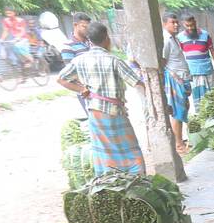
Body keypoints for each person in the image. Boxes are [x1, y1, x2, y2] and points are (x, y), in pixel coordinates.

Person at [55, 21, 146, 175]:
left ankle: (109, 182)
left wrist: (81, 89)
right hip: (115, 113)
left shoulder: (79, 60)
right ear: (106, 39)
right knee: (131, 151)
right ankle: (136, 178)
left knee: (104, 153)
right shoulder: (113, 60)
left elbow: (61, 79)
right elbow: (137, 82)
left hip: (95, 114)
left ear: (89, 40)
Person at [161, 12, 191, 155]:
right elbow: (163, 62)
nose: (176, 24)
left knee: (183, 109)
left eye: (176, 22)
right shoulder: (166, 40)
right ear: (165, 24)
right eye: (172, 22)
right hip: (175, 79)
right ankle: (179, 145)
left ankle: (180, 141)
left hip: (182, 78)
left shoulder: (175, 39)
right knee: (177, 112)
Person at [179, 13, 214, 110]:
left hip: (208, 71)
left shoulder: (205, 34)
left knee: (213, 98)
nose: (190, 28)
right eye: (188, 26)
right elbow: (179, 57)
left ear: (195, 22)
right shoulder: (180, 38)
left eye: (192, 25)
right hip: (193, 73)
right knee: (199, 102)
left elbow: (213, 52)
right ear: (183, 24)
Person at [61, 13, 92, 118]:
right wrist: (83, 89)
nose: (87, 29)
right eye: (84, 26)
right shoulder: (68, 46)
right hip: (85, 92)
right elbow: (70, 73)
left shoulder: (92, 42)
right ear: (75, 25)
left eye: (88, 26)